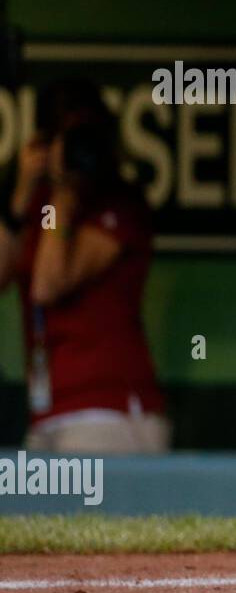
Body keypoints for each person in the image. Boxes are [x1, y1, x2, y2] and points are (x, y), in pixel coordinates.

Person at [0, 80, 167, 453]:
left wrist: (64, 191)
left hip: (109, 410)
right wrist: (23, 192)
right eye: (66, 136)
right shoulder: (39, 204)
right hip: (47, 410)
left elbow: (48, 283)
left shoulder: (120, 203)